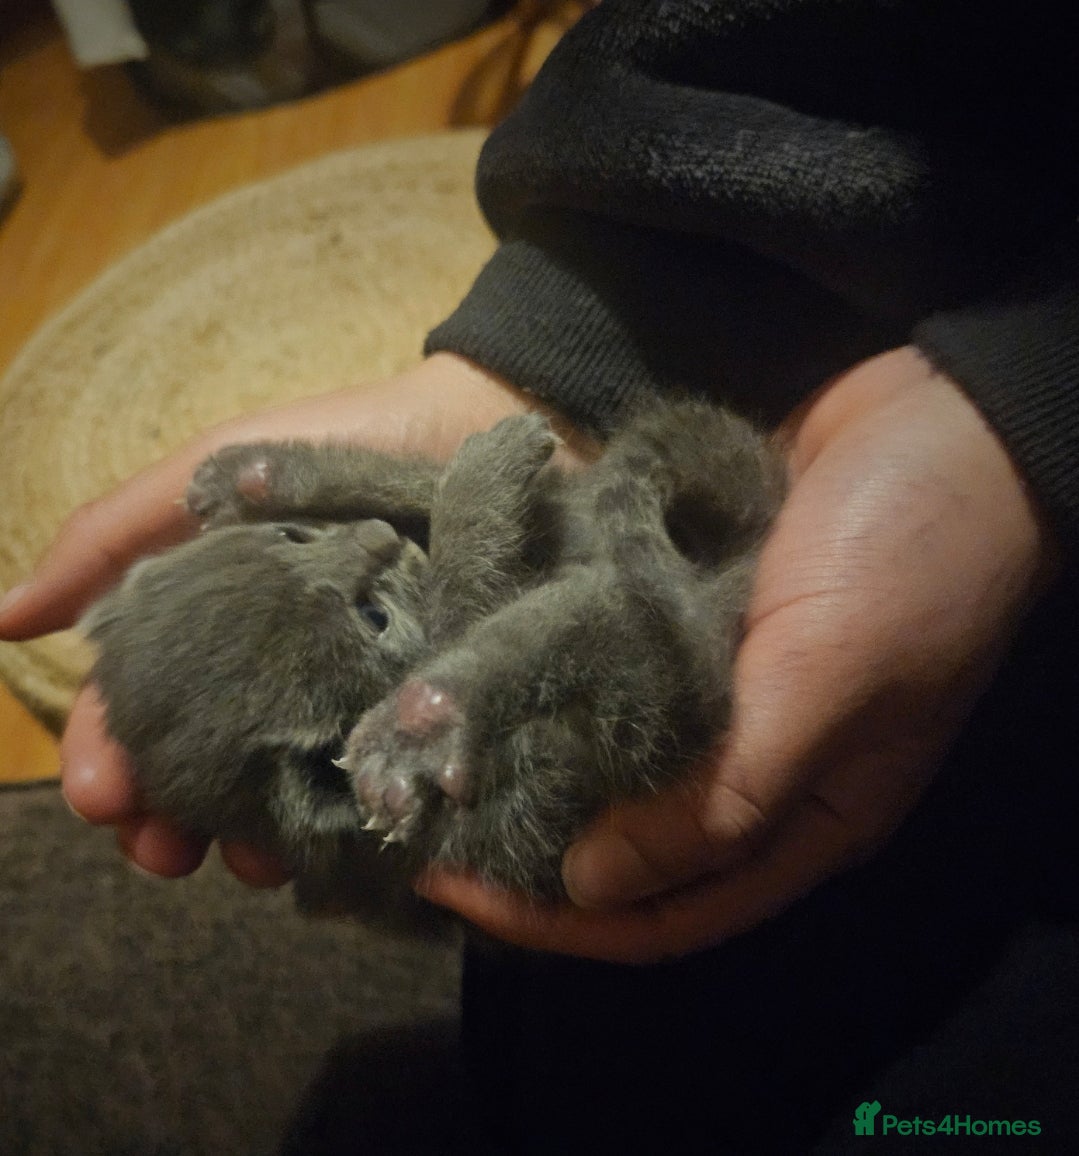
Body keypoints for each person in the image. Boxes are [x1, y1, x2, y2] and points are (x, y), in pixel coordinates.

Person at [2, 1, 1077, 1149]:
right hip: (668, 685)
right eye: (365, 607)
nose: (370, 549)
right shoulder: (413, 790)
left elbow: (466, 486)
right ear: (320, 772)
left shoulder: (391, 697)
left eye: (312, 548)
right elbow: (533, 539)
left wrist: (317, 484)